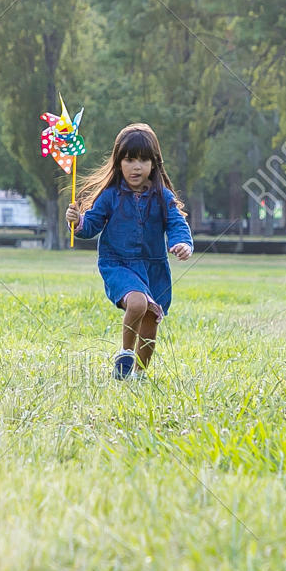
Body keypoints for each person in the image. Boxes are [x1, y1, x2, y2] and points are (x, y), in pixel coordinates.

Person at [65, 123, 193, 380]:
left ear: (154, 164)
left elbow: (177, 223)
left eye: (143, 160)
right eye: (130, 159)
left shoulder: (162, 196)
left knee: (149, 327)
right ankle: (124, 354)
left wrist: (183, 243)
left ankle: (139, 375)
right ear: (118, 162)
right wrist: (78, 221)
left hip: (153, 268)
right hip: (118, 264)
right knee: (137, 302)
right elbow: (91, 226)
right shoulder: (110, 195)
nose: (136, 167)